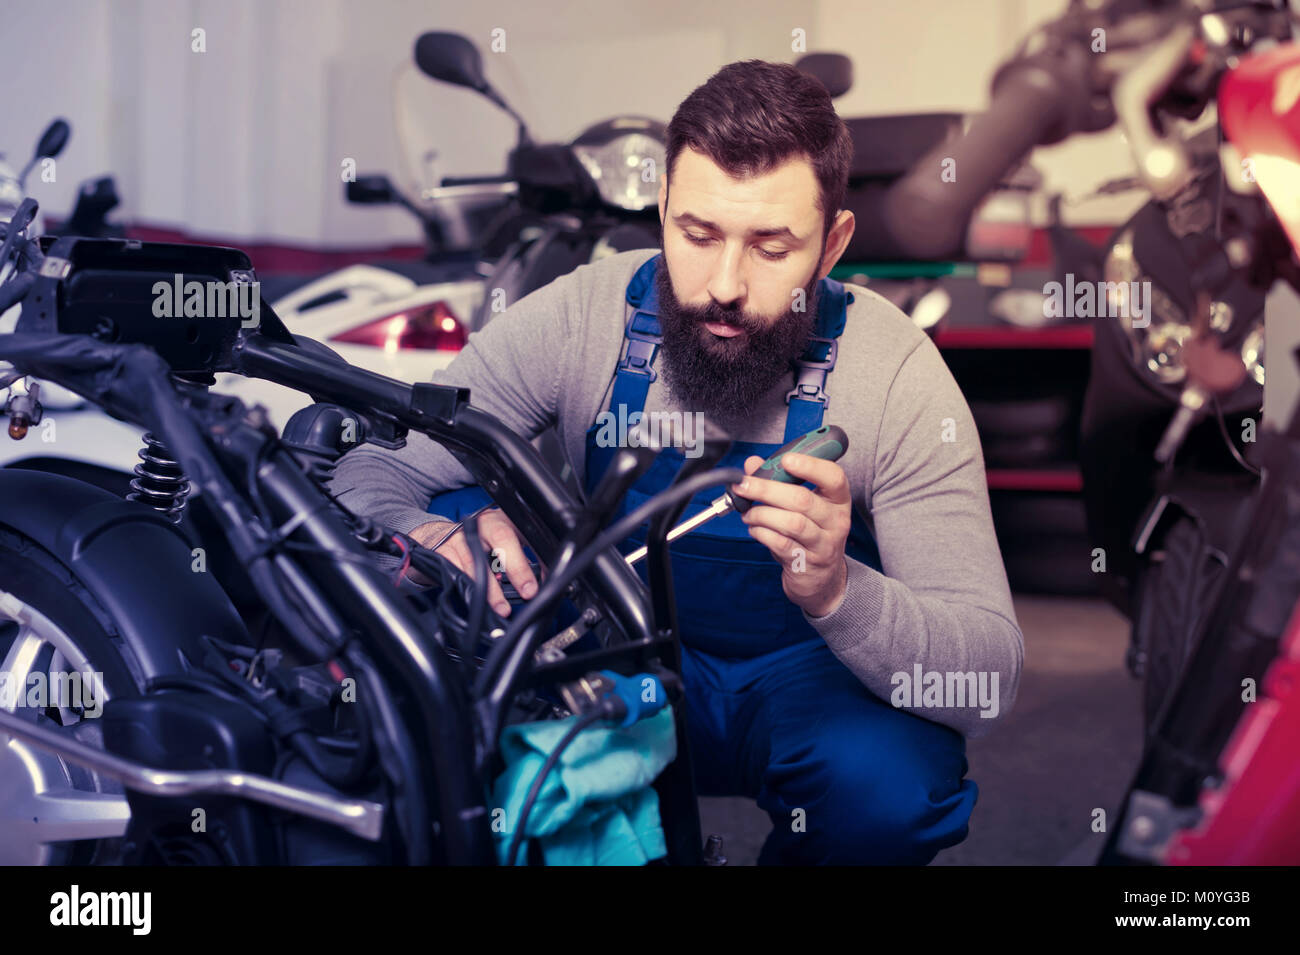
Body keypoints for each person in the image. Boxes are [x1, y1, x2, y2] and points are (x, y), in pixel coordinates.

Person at [329, 59, 1023, 865]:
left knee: (892, 789)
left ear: (831, 246)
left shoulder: (892, 373)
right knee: (448, 636)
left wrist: (841, 591)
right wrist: (432, 535)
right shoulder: (583, 316)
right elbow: (363, 470)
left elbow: (987, 672)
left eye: (771, 247)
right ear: (662, 210)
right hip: (618, 660)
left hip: (809, 684)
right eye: (697, 236)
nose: (723, 286)